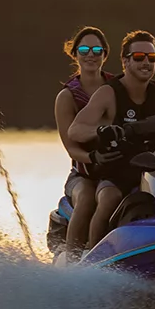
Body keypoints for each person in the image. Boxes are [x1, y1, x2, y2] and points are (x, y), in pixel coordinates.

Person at [66, 31, 155, 249]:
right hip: (117, 170)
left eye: (152, 58)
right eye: (139, 57)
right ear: (125, 61)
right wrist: (103, 131)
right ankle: (92, 256)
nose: (146, 63)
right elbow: (75, 130)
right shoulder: (108, 93)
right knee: (108, 200)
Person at [52, 26, 111, 261]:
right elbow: (71, 147)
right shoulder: (66, 97)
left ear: (105, 55)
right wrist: (94, 158)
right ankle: (74, 262)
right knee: (87, 197)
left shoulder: (117, 87)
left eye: (97, 50)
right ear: (75, 54)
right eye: (84, 49)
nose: (91, 55)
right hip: (83, 173)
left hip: (118, 168)